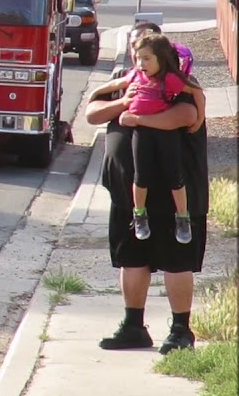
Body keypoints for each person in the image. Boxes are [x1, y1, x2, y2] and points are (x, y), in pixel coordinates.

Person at [85, 25, 209, 354]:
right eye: (135, 48)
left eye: (146, 49)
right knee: (132, 260)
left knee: (176, 262)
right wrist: (123, 101)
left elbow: (187, 115)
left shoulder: (176, 83)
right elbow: (91, 112)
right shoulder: (130, 81)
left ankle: (181, 331)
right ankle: (133, 326)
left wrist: (138, 120)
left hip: (175, 199)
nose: (139, 56)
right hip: (131, 200)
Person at [88, 33, 203, 244]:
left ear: (161, 58)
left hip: (165, 134)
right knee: (141, 176)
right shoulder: (133, 76)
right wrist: (98, 93)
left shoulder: (169, 79)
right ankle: (139, 214)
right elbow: (111, 88)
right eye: (138, 58)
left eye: (147, 58)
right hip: (141, 136)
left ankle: (183, 217)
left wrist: (200, 119)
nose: (141, 63)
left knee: (174, 176)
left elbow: (196, 92)